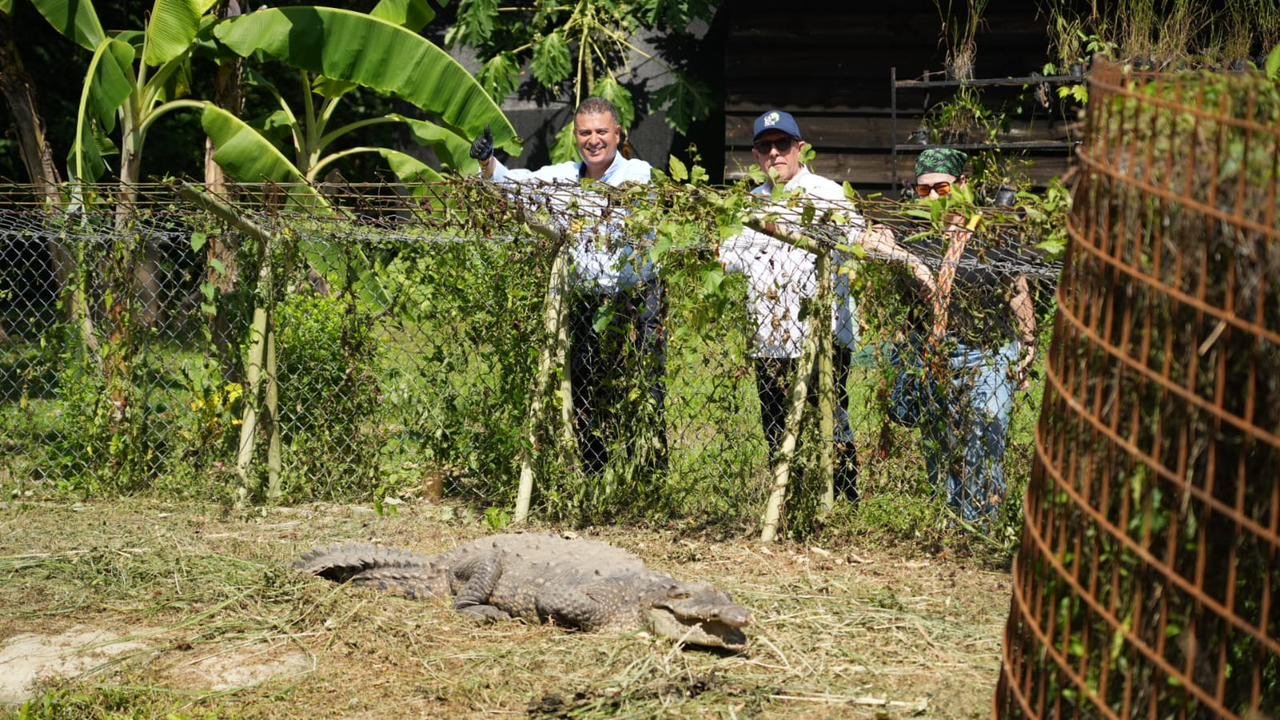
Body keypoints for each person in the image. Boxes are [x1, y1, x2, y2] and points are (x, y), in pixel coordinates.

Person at [719, 110, 932, 503]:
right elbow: (726, 258)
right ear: (756, 155)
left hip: (822, 332)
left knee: (831, 420)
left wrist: (907, 260)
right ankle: (792, 501)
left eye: (783, 144)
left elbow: (859, 241)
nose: (775, 153)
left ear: (799, 148)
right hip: (768, 337)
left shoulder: (826, 193)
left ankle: (844, 499)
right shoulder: (749, 205)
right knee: (775, 423)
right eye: (765, 146)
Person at [470, 98, 666, 477]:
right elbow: (516, 184)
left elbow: (614, 211)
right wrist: (488, 163)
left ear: (618, 134)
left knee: (643, 389)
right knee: (586, 388)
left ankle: (647, 479)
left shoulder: (637, 174)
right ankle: (593, 476)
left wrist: (569, 206)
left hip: (637, 299)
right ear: (576, 136)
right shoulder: (564, 175)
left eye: (601, 132)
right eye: (585, 132)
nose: (593, 140)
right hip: (587, 299)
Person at [905, 147, 1037, 522]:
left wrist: (1029, 342)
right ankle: (951, 520)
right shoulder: (916, 234)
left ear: (963, 184)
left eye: (942, 188)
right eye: (924, 190)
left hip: (989, 350)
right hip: (937, 352)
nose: (933, 197)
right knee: (941, 442)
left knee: (987, 430)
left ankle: (984, 520)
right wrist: (909, 261)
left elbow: (1017, 288)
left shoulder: (991, 231)